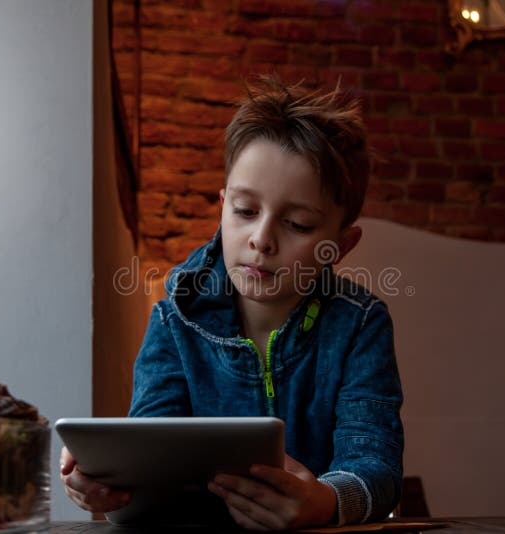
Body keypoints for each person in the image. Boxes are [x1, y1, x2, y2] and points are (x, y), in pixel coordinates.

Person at [61, 75, 404, 530]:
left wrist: (324, 502)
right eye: (244, 212)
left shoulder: (361, 325)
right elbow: (149, 451)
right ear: (222, 207)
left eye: (298, 224)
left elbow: (374, 467)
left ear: (340, 245)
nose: (261, 240)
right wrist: (104, 481)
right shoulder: (173, 318)